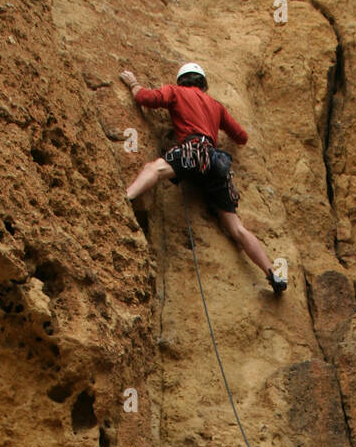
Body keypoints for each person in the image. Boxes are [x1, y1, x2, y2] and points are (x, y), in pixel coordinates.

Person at [119, 61, 287, 294]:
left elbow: (146, 98)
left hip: (193, 151)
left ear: (182, 80)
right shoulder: (216, 106)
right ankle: (272, 274)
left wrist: (133, 83)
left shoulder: (177, 92)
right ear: (203, 83)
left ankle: (125, 197)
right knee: (236, 227)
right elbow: (241, 136)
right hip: (217, 163)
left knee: (154, 168)